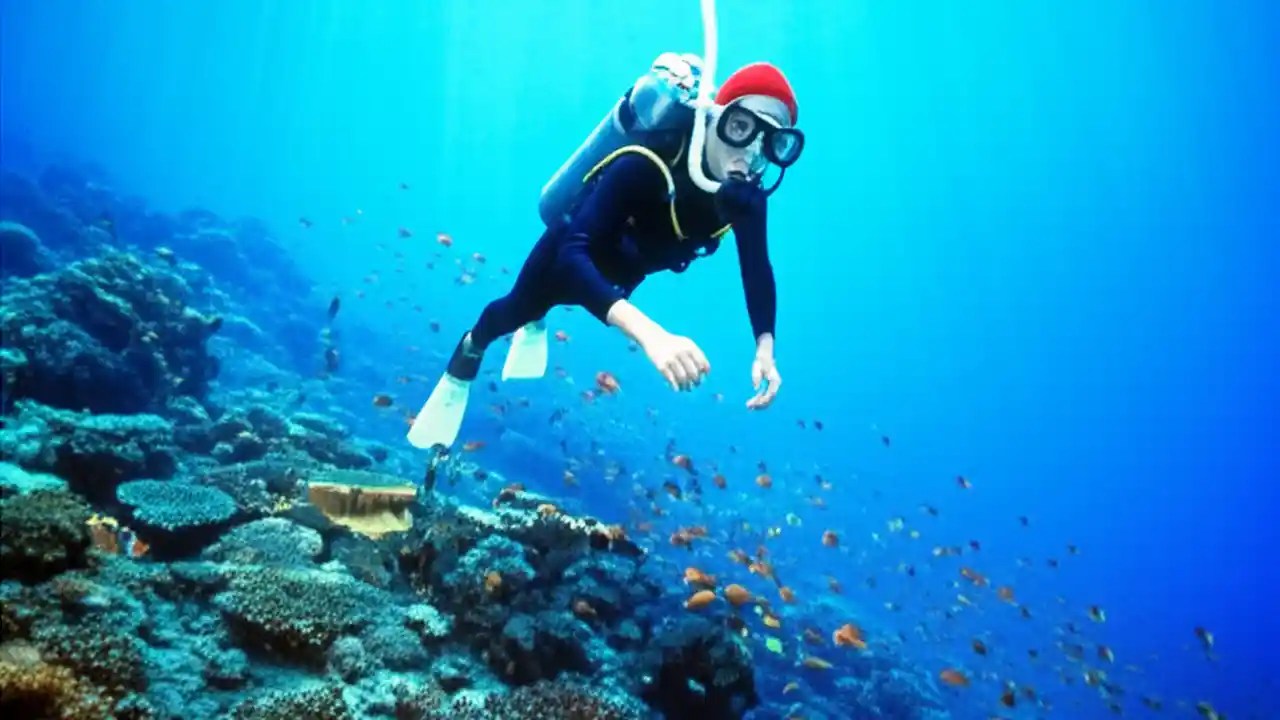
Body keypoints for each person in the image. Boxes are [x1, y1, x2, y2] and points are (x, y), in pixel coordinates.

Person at [408, 54, 804, 451]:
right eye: (742, 127)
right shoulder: (648, 162)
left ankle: (536, 321)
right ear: (717, 117)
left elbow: (757, 269)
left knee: (560, 302)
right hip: (571, 255)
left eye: (773, 142)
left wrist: (765, 348)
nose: (751, 152)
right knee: (517, 308)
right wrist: (651, 335)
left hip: (620, 279)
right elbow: (571, 257)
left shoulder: (745, 199)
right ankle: (467, 355)